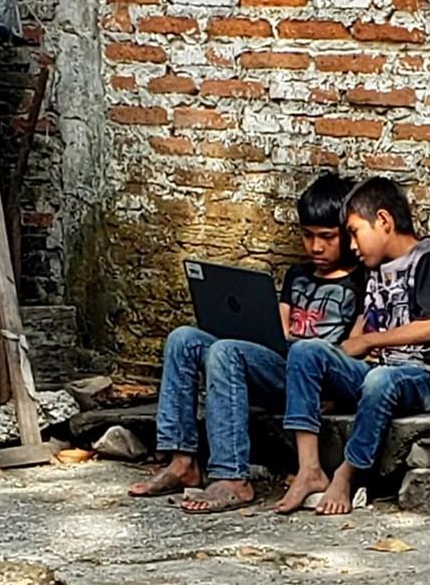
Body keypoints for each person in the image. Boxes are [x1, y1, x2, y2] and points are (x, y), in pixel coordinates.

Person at [126, 173, 367, 513]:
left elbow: (355, 351)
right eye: (308, 236)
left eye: (327, 237)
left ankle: (232, 478)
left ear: (348, 233)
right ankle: (182, 462)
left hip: (311, 379)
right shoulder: (298, 276)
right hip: (276, 365)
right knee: (184, 339)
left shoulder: (362, 280)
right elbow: (279, 330)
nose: (316, 247)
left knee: (226, 351)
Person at [275, 177, 430, 515]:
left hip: (425, 376)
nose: (352, 245)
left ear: (384, 222)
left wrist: (370, 341)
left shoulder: (426, 258)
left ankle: (346, 474)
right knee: (306, 351)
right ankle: (309, 469)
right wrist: (343, 355)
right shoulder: (372, 268)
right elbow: (362, 328)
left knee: (380, 381)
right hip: (378, 370)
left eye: (355, 232)